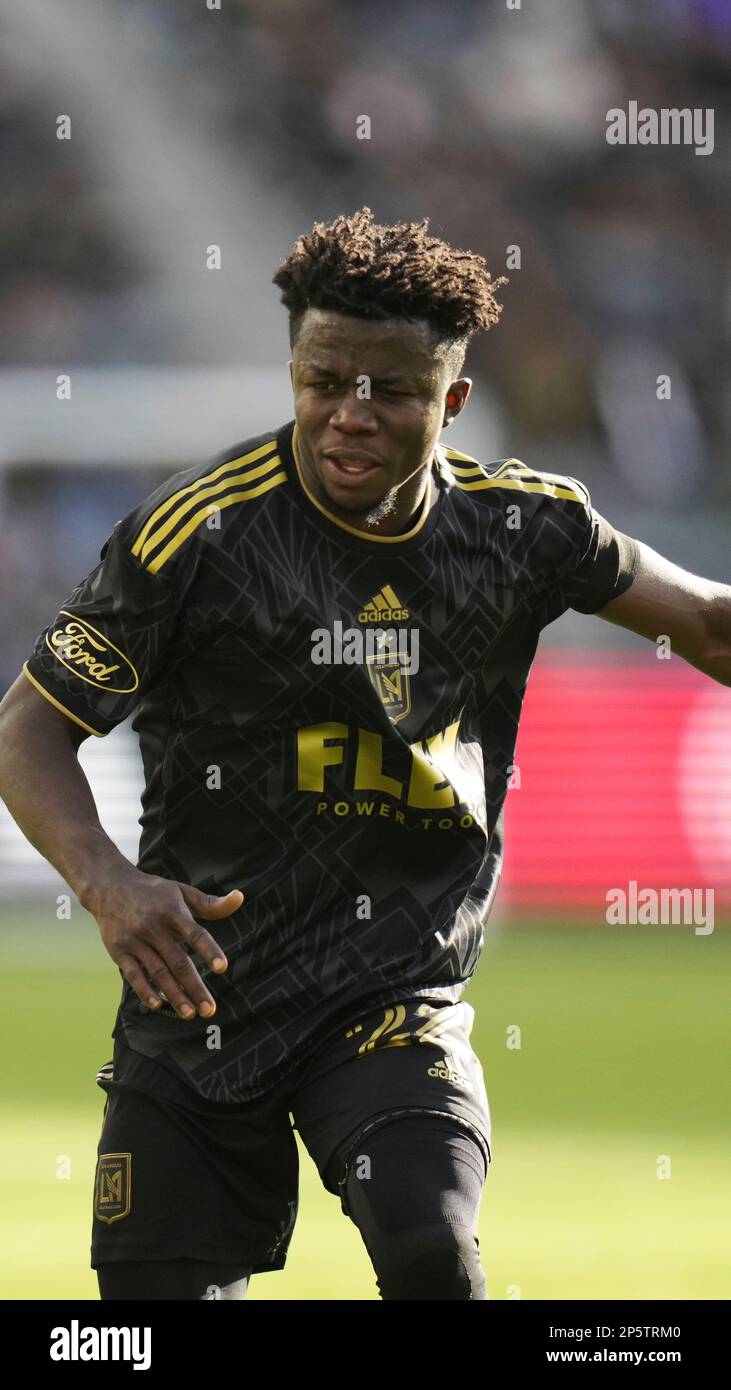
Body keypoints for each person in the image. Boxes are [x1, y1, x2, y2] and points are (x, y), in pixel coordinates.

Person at [0, 208, 729, 1301]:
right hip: (201, 990)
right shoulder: (197, 534)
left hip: (391, 991)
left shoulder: (524, 529)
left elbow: (708, 626)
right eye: (321, 379)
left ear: (452, 401)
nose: (348, 414)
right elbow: (29, 728)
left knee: (429, 1248)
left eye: (389, 390)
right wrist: (108, 888)